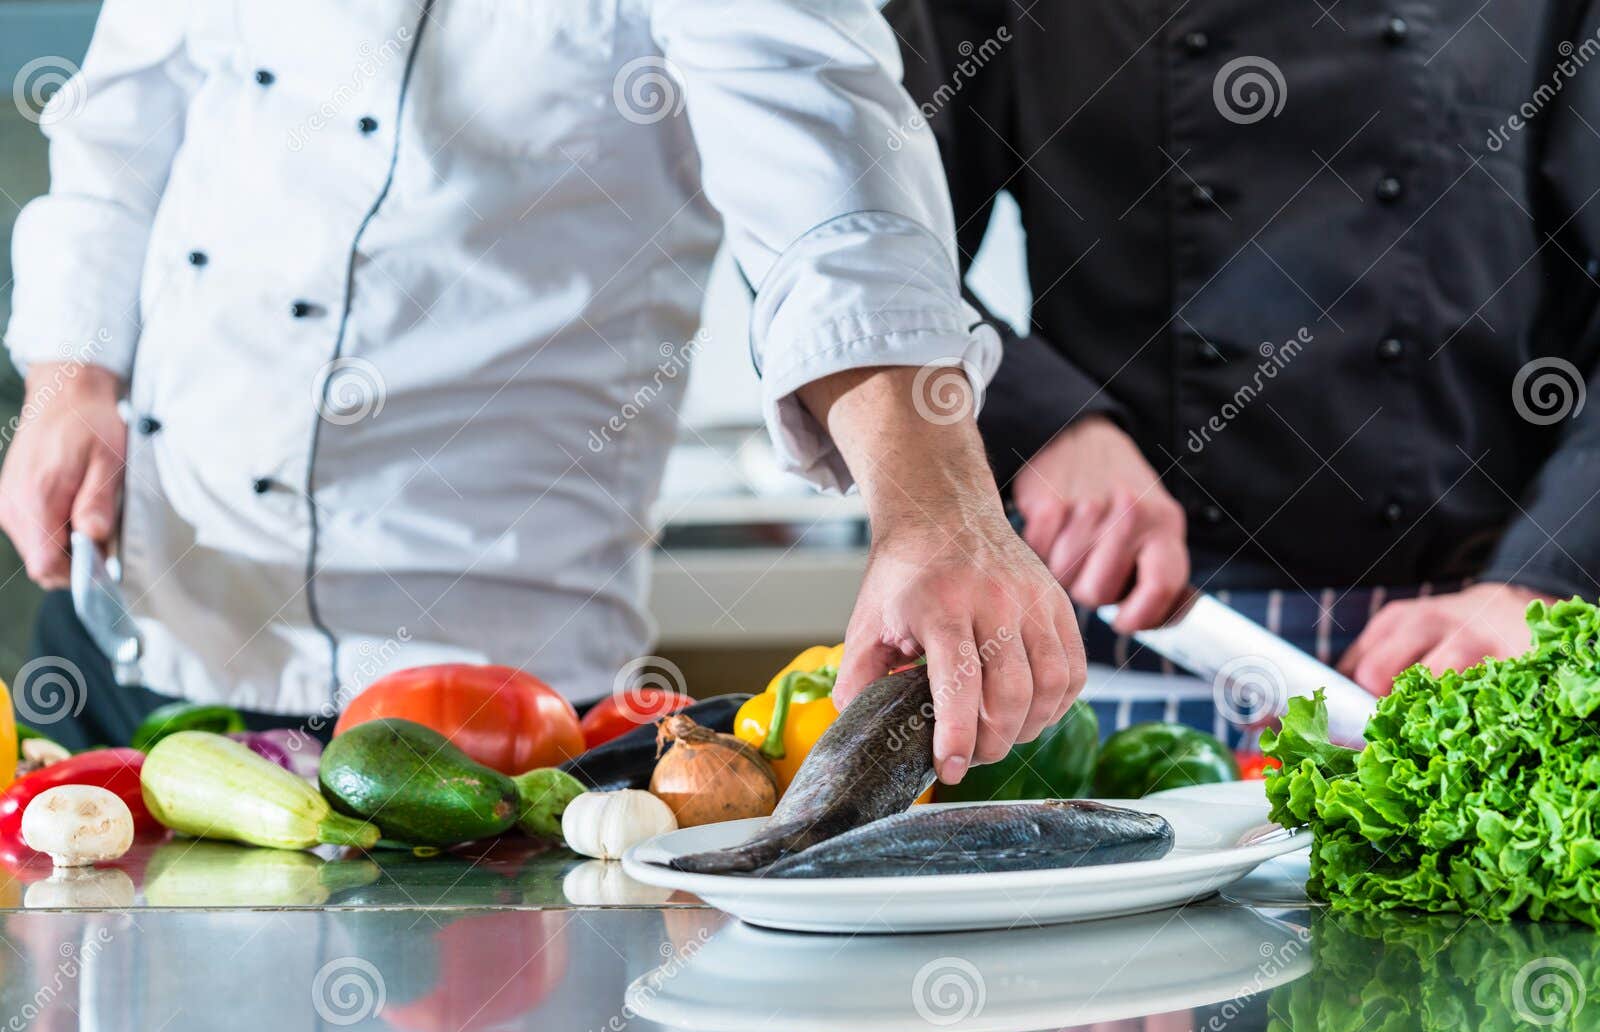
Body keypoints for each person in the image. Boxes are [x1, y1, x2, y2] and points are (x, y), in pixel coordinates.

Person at [0, 0, 1084, 781]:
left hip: (491, 709)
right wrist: (71, 378)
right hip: (138, 610)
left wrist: (937, 506)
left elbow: (830, 184)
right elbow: (119, 125)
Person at [888, 0, 1600, 737]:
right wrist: (1043, 422)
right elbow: (851, 244)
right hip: (1130, 637)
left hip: (1469, 640)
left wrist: (1544, 582)